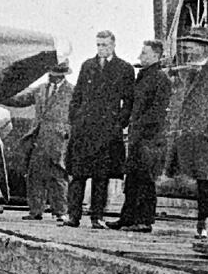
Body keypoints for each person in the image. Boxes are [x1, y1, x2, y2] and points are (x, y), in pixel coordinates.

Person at [65, 30, 134, 228]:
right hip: (84, 129)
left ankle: (97, 217)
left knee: (101, 176)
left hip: (107, 131)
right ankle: (73, 216)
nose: (101, 49)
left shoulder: (124, 69)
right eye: (98, 45)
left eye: (104, 45)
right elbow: (77, 95)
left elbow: (128, 101)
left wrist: (118, 123)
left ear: (113, 45)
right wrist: (75, 119)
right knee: (78, 175)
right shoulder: (88, 66)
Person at [111, 41, 173, 233]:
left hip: (150, 138)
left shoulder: (161, 79)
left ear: (156, 56)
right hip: (138, 136)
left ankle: (145, 221)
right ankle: (127, 218)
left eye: (144, 53)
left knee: (145, 179)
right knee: (132, 179)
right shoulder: (142, 78)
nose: (140, 56)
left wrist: (140, 125)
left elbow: (157, 111)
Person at [171, 48, 208, 237]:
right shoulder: (188, 71)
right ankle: (204, 218)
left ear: (204, 48)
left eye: (193, 46)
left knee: (203, 178)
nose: (188, 50)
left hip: (203, 136)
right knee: (190, 177)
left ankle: (204, 223)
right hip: (186, 133)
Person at [19, 58, 73, 221]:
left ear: (62, 75)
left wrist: (67, 133)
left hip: (59, 140)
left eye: (54, 74)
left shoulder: (73, 91)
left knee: (58, 175)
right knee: (35, 175)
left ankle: (61, 211)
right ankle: (35, 211)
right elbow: (20, 99)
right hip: (39, 138)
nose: (51, 76)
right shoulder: (40, 89)